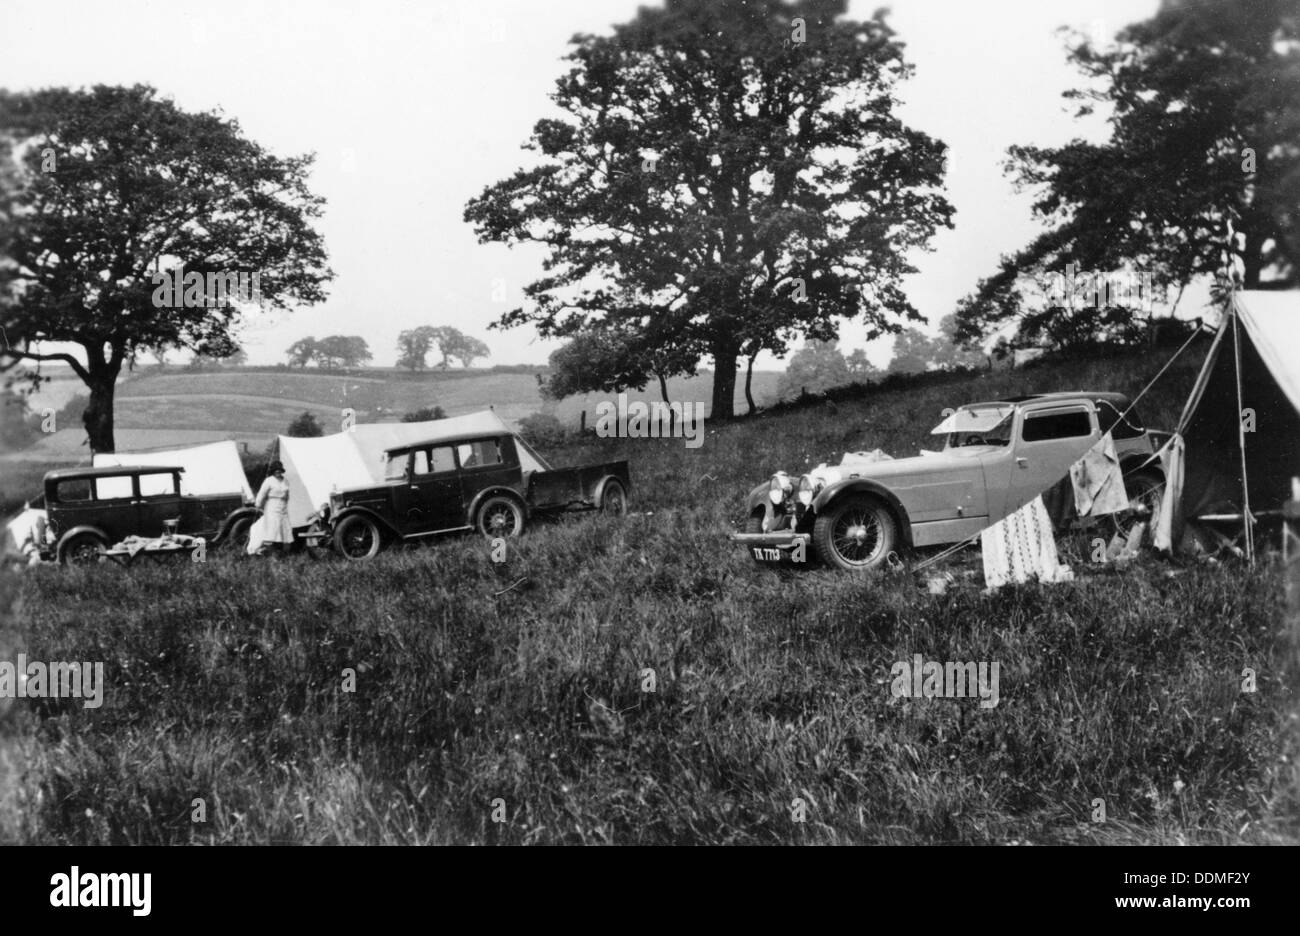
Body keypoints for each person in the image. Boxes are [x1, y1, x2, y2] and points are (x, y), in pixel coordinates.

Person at [247, 461, 293, 556]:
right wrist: (258, 504)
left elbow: (287, 494)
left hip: (283, 507)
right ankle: (270, 553)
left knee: (285, 530)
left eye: (279, 470)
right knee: (271, 531)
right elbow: (262, 493)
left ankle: (286, 553)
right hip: (272, 506)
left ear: (281, 470)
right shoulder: (269, 481)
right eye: (275, 470)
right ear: (273, 471)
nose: (278, 472)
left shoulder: (285, 481)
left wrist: (286, 502)